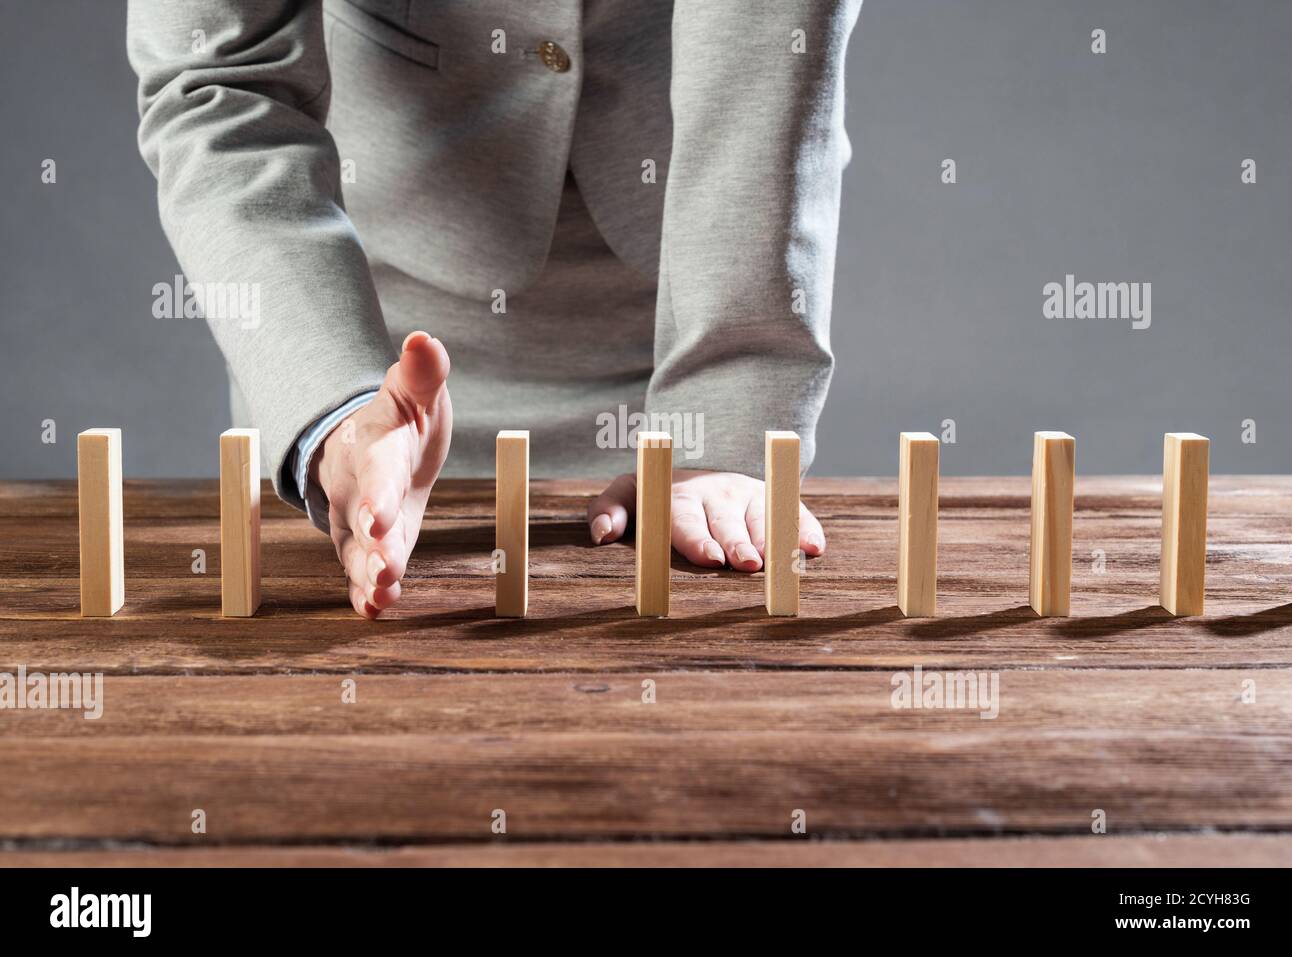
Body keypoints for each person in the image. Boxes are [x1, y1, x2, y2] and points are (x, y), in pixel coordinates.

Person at [127, 0, 860, 617]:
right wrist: (335, 410)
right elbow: (217, 80)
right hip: (359, 321)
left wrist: (722, 420)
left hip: (687, 318)